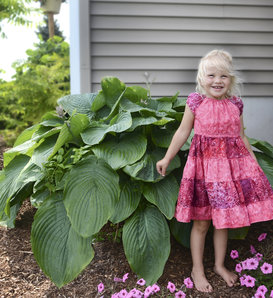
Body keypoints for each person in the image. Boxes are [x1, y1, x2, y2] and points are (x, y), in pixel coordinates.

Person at [156, 49, 273, 293]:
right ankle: (196, 268)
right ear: (201, 79)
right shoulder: (195, 102)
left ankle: (220, 265)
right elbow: (182, 132)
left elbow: (241, 136)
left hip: (229, 173)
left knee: (223, 223)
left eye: (223, 76)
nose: (217, 81)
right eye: (211, 75)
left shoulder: (236, 105)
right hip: (203, 171)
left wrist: (253, 163)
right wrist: (167, 157)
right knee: (201, 224)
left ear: (231, 80)